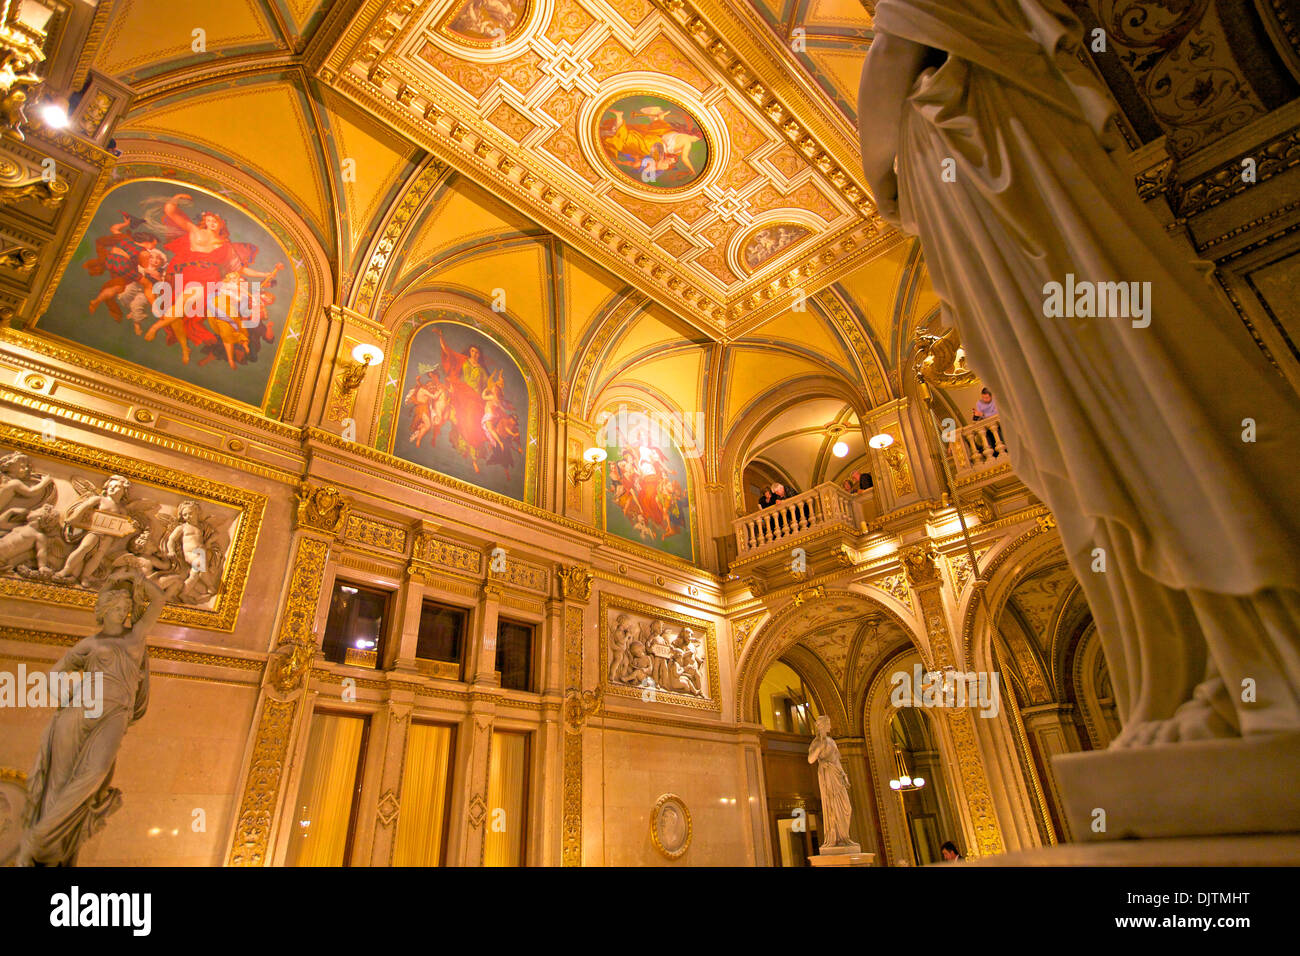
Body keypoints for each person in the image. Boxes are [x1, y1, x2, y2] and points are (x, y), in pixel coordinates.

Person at [858, 0, 1300, 746]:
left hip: (986, 174)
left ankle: (1242, 665)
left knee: (1106, 409)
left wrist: (885, 181)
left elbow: (891, 65)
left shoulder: (951, 78)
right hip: (999, 171)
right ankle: (1204, 673)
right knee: (1096, 413)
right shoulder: (994, 77)